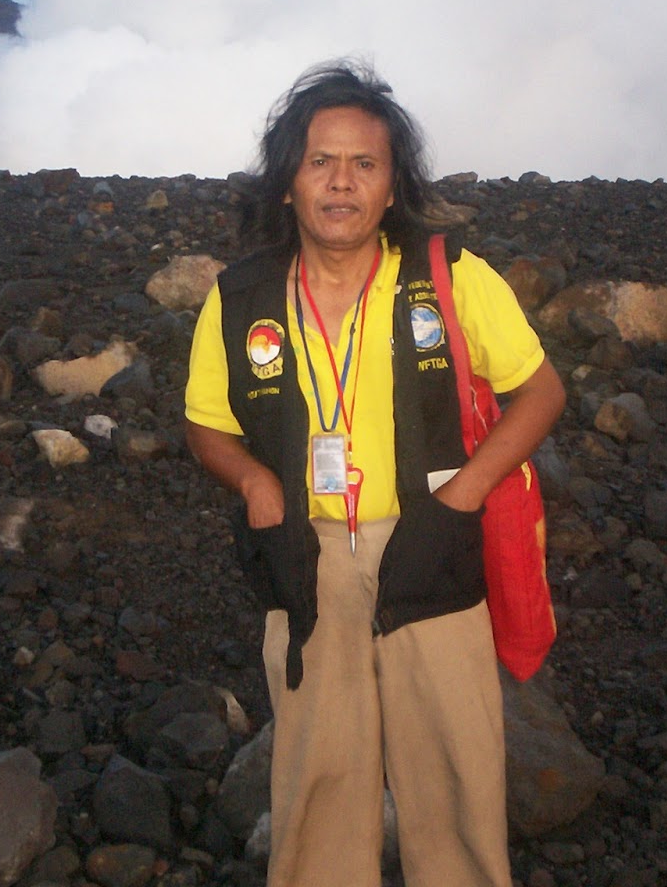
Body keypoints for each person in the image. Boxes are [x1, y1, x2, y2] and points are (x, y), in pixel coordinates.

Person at [185, 59, 565, 887]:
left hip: (431, 544)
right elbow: (207, 422)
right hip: (305, 553)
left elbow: (539, 392)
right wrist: (256, 486)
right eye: (321, 161)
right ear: (288, 180)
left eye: (365, 164)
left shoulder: (446, 275)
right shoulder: (242, 297)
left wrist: (462, 498)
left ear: (393, 185)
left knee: (458, 770)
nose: (342, 183)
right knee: (318, 773)